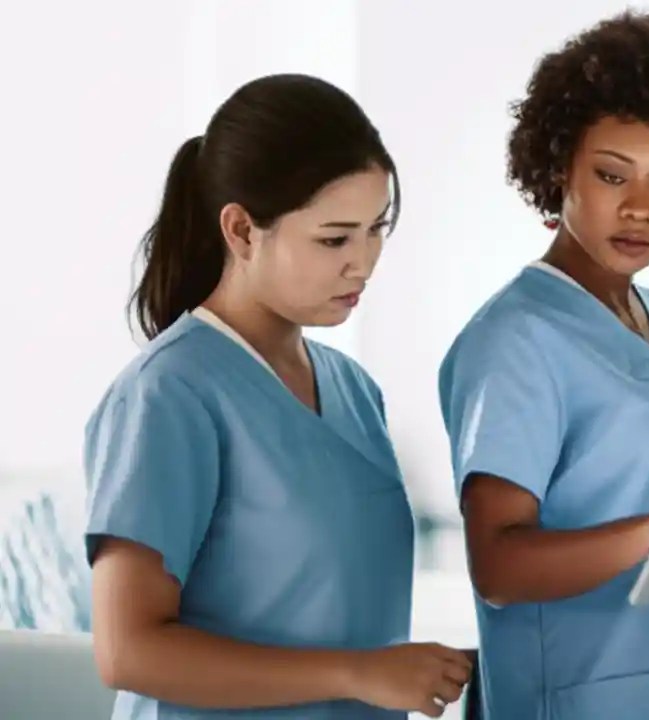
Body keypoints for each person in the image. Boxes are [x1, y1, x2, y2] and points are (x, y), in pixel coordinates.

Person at [85, 73, 473, 719]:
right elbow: (128, 652)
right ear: (240, 231)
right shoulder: (170, 394)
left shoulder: (353, 390)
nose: (364, 261)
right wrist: (357, 673)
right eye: (333, 238)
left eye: (377, 228)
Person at [438, 11, 649, 720]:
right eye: (610, 175)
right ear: (557, 166)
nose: (639, 209)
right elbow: (499, 566)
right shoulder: (516, 337)